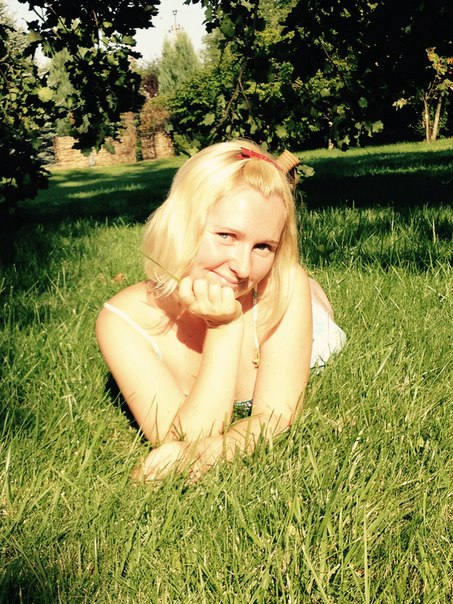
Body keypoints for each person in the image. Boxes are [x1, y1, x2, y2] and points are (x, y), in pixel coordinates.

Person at [96, 140, 346, 481]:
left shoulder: (283, 284)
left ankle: (315, 297)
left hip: (298, 318)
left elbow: (277, 414)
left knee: (314, 305)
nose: (242, 267)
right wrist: (224, 329)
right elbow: (183, 436)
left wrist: (215, 451)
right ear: (181, 223)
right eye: (226, 236)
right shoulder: (123, 322)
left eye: (263, 246)